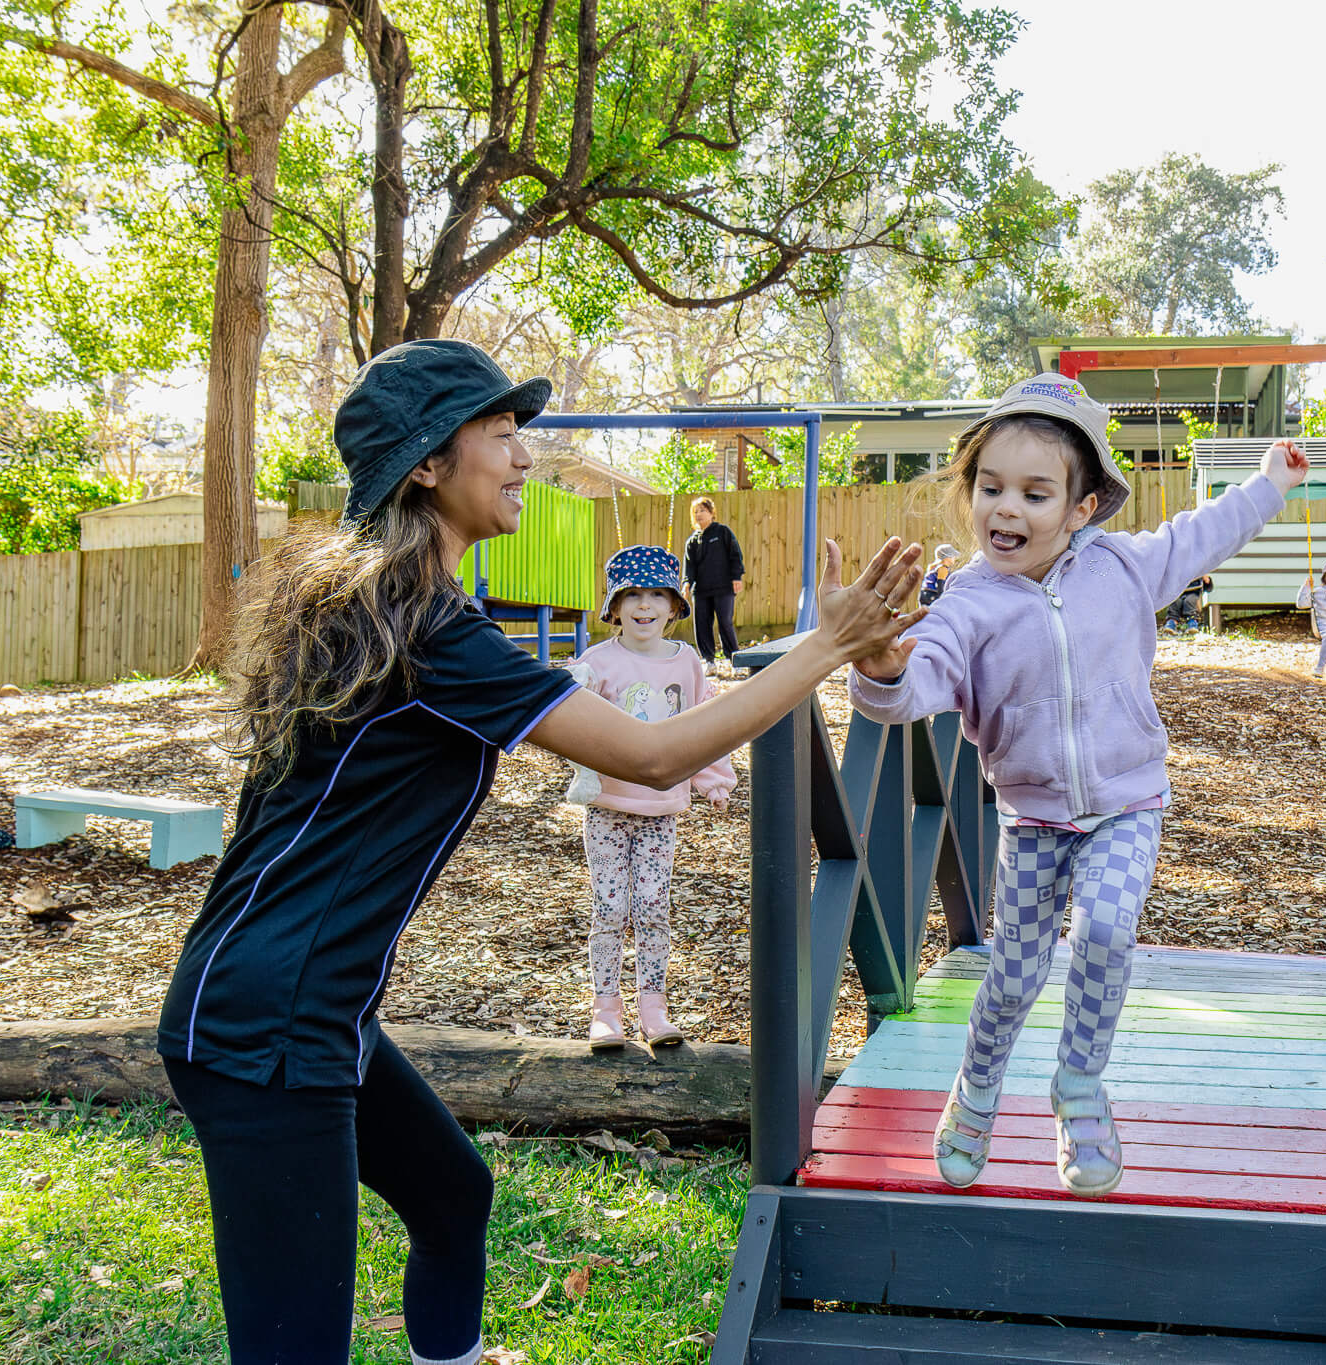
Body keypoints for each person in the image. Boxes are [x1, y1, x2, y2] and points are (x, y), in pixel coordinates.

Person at [156, 338, 927, 1365]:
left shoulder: (395, 616)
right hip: (268, 1028)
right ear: (428, 464)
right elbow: (652, 760)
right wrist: (823, 650)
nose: (524, 458)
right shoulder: (427, 631)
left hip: (297, 1002)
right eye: (502, 435)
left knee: (451, 1194)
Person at [846, 372, 1308, 1197]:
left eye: (1034, 492)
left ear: (1082, 506)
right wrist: (883, 666)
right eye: (990, 488)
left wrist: (1269, 480)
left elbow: (1203, 536)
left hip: (1128, 804)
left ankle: (1080, 1088)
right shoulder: (965, 606)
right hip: (1030, 820)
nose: (1006, 510)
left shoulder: (1124, 569)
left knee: (1104, 933)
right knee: (1014, 974)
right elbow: (918, 689)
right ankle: (977, 1087)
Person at [565, 544, 735, 1050]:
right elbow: (575, 725)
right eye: (632, 594)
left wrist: (713, 778)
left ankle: (654, 1006)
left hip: (662, 809)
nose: (645, 605)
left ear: (675, 606)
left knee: (655, 905)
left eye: (657, 594)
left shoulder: (686, 661)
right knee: (611, 908)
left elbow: (702, 722)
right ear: (614, 607)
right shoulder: (597, 662)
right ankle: (605, 1009)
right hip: (609, 809)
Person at [683, 495, 745, 667]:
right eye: (695, 512)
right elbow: (689, 568)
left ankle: (734, 659)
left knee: (725, 622)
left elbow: (735, 555)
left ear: (711, 513)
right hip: (701, 591)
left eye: (702, 510)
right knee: (702, 625)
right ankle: (709, 661)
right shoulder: (692, 542)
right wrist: (686, 584)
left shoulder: (722, 532)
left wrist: (736, 577)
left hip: (723, 587)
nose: (699, 514)